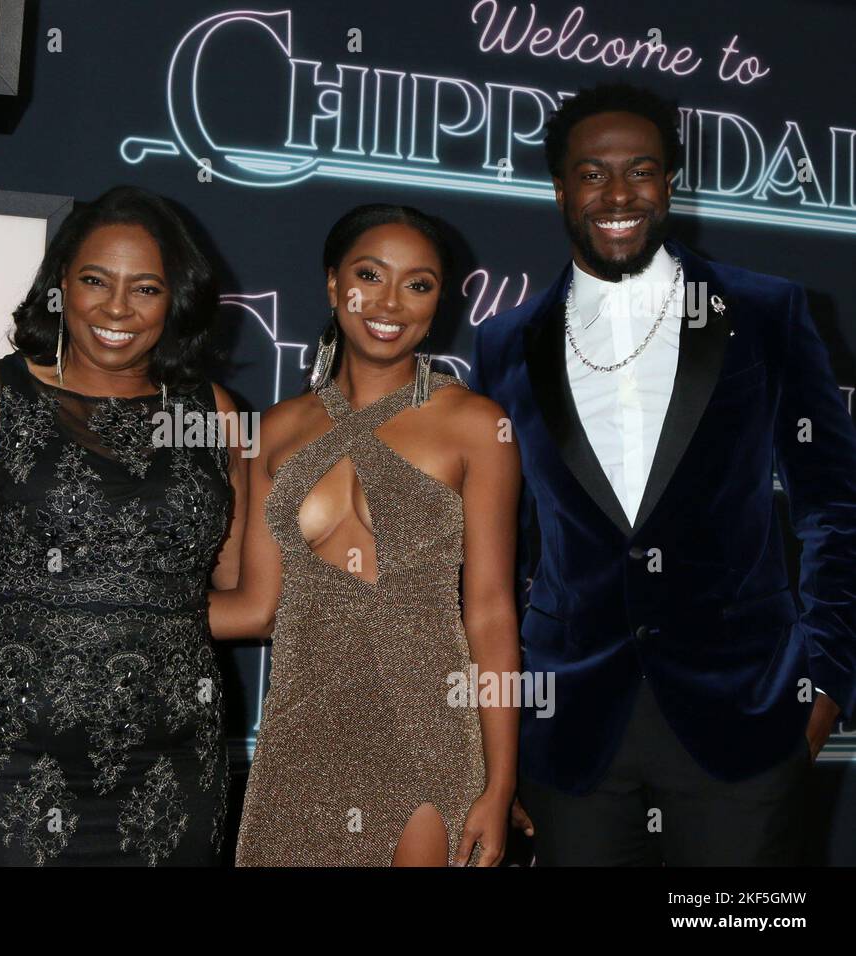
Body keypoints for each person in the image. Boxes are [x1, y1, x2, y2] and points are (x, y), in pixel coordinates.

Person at [467, 82, 856, 865]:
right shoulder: (503, 345)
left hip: (745, 716)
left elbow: (836, 509)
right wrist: (502, 743)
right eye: (591, 173)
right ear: (558, 188)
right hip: (569, 731)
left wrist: (826, 688)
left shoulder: (769, 311)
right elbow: (494, 558)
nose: (617, 193)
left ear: (671, 184)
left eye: (640, 170)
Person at [0, 186, 246, 865]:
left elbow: (239, 587)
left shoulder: (212, 412)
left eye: (146, 288)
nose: (117, 308)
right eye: (95, 280)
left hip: (172, 768)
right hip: (5, 759)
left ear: (175, 299)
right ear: (60, 285)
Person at [210, 205, 522, 866]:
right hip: (300, 736)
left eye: (418, 284)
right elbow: (253, 606)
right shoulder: (275, 431)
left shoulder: (475, 425)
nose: (390, 302)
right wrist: (114, 603)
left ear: (439, 303)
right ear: (332, 286)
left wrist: (499, 784)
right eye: (369, 275)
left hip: (427, 731)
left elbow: (491, 612)